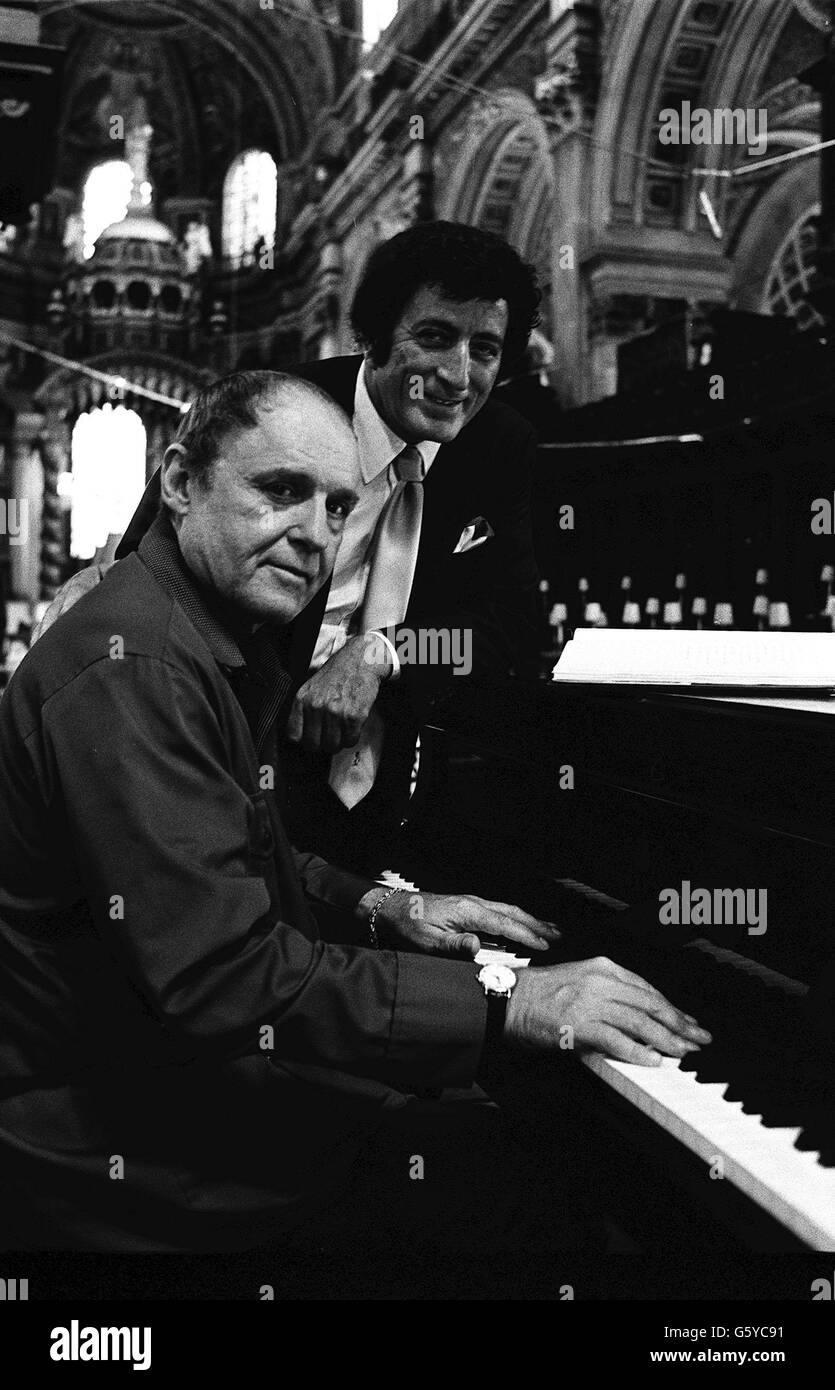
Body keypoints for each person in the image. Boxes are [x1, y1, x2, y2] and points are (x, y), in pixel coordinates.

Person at [0, 371, 710, 1256]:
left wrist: (386, 904)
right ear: (179, 483)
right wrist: (507, 995)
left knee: (515, 1132)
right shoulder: (136, 668)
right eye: (281, 491)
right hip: (120, 1136)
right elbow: (223, 978)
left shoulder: (195, 641)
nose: (313, 536)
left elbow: (238, 858)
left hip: (170, 1080)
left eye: (338, 509)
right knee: (535, 1174)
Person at [35, 222, 544, 871]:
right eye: (435, 337)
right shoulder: (268, 409)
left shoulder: (501, 446)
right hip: (228, 756)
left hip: (387, 774)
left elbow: (510, 627)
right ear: (376, 334)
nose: (456, 375)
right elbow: (147, 579)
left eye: (486, 349)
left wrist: (381, 653)